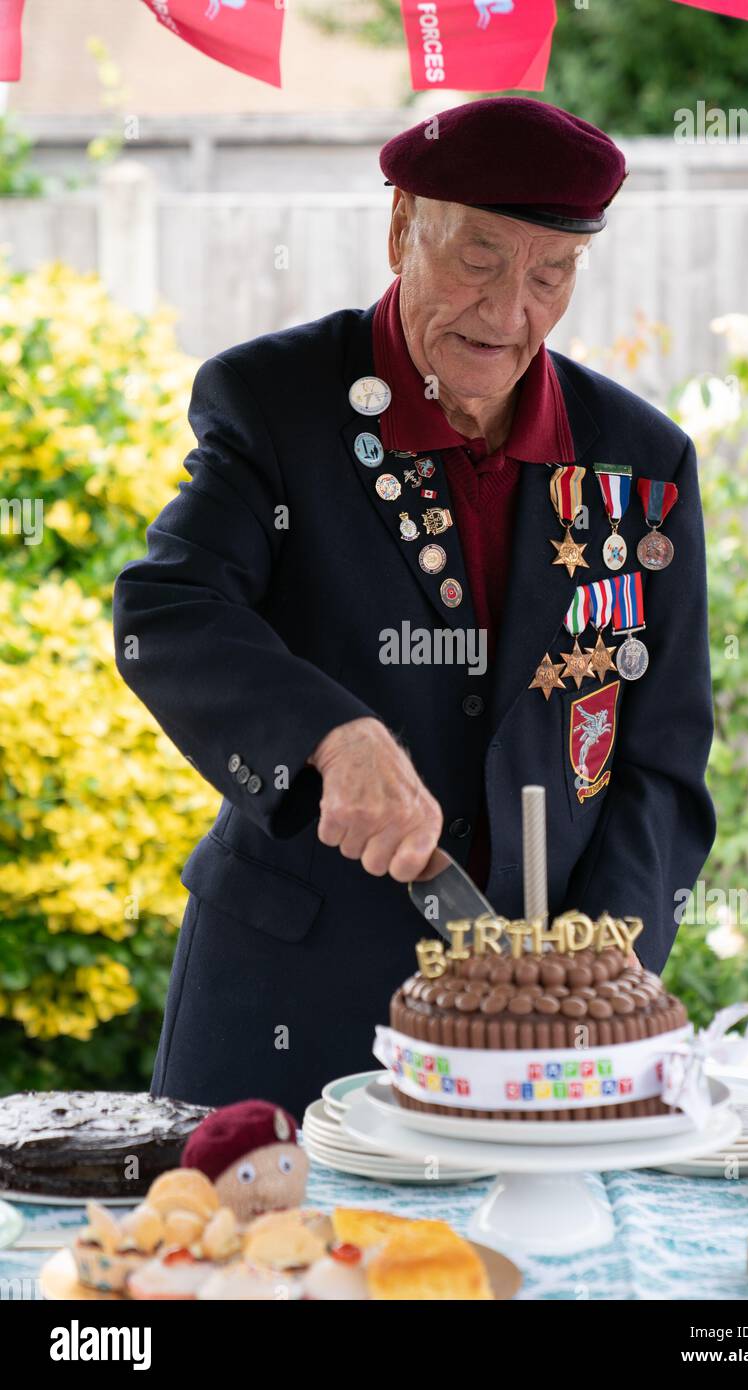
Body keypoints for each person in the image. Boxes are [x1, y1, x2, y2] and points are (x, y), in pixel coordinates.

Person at [113, 97, 716, 1117]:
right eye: (478, 257)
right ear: (401, 229)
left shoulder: (638, 462)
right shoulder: (277, 402)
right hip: (287, 1006)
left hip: (535, 1038)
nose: (507, 310)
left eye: (549, 275)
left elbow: (657, 762)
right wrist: (327, 734)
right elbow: (166, 609)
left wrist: (587, 983)